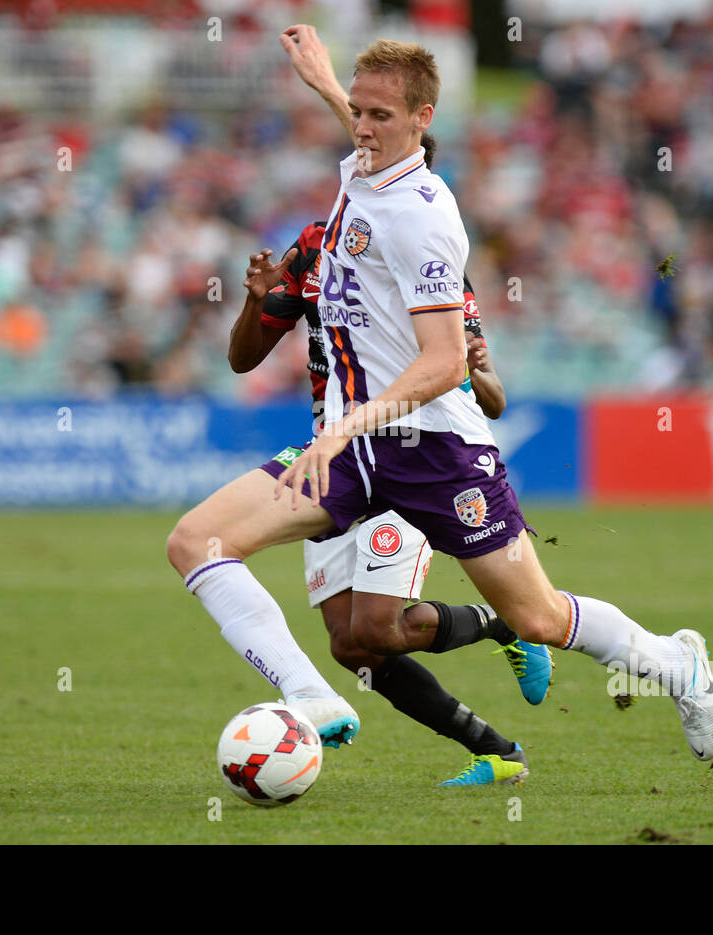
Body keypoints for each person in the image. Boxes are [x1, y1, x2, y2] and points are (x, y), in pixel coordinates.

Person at [169, 33, 713, 765]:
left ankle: (673, 662)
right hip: (355, 445)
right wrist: (326, 83)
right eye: (357, 113)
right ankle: (310, 697)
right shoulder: (365, 168)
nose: (362, 128)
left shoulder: (425, 218)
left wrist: (347, 426)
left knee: (538, 613)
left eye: (380, 116)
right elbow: (369, 127)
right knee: (198, 541)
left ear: (423, 119)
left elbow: (443, 363)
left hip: (435, 445)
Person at [231, 139, 549, 786]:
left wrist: (475, 372)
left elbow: (489, 392)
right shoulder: (316, 247)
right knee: (352, 645)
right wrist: (253, 301)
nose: (368, 166)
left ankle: (508, 622)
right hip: (333, 456)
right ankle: (498, 750)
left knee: (378, 625)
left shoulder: (429, 247)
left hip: (405, 450)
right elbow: (243, 359)